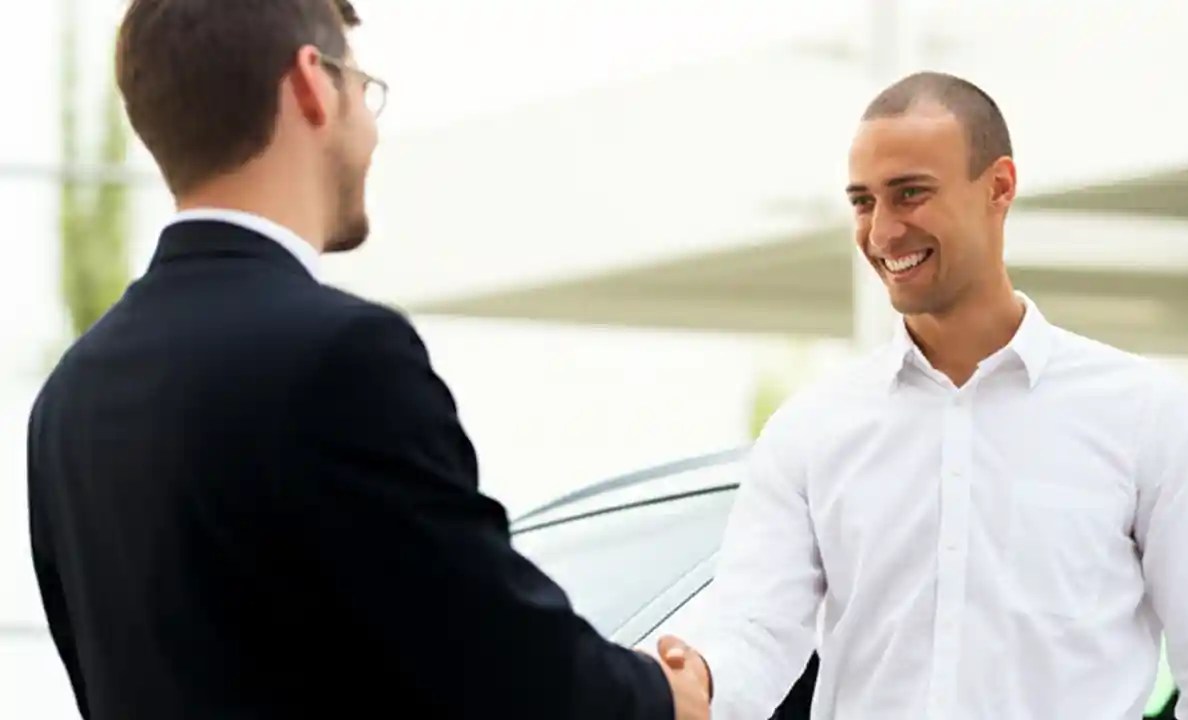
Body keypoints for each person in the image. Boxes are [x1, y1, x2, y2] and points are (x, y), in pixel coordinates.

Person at [26, 1, 708, 718]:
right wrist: (662, 698)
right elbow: (494, 656)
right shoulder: (341, 358)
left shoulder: (69, 399)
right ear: (312, 84)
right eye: (363, 89)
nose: (373, 130)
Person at [656, 72, 1188, 719]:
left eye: (910, 194)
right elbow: (754, 635)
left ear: (999, 186)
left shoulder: (1146, 415)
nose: (882, 232)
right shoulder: (810, 431)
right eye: (863, 202)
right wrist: (691, 681)